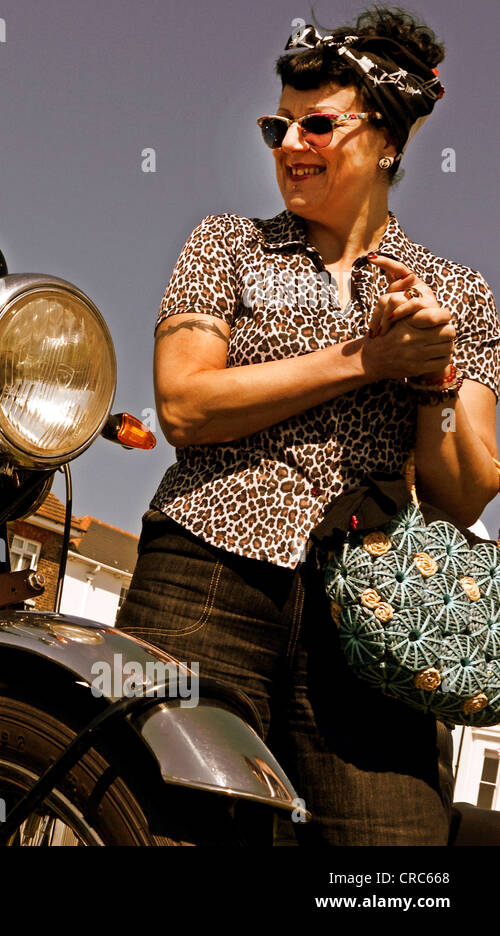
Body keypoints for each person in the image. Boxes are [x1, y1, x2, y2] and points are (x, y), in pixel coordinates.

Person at [114, 8, 500, 845]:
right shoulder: (225, 246)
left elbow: (465, 496)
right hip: (202, 576)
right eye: (277, 125)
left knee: (393, 853)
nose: (291, 143)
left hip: (368, 611)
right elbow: (185, 406)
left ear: (389, 143)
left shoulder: (458, 298)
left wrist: (433, 376)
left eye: (319, 123)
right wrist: (366, 361)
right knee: (169, 824)